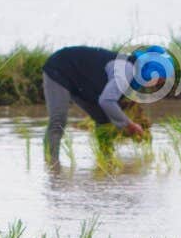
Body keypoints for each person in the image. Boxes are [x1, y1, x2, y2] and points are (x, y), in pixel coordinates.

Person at [41, 45, 172, 163]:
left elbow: (108, 102)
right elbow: (107, 101)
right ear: (152, 70)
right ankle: (52, 167)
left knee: (103, 118)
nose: (160, 83)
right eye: (161, 78)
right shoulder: (127, 70)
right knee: (58, 120)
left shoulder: (133, 73)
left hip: (81, 80)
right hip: (60, 68)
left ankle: (107, 159)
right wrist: (129, 125)